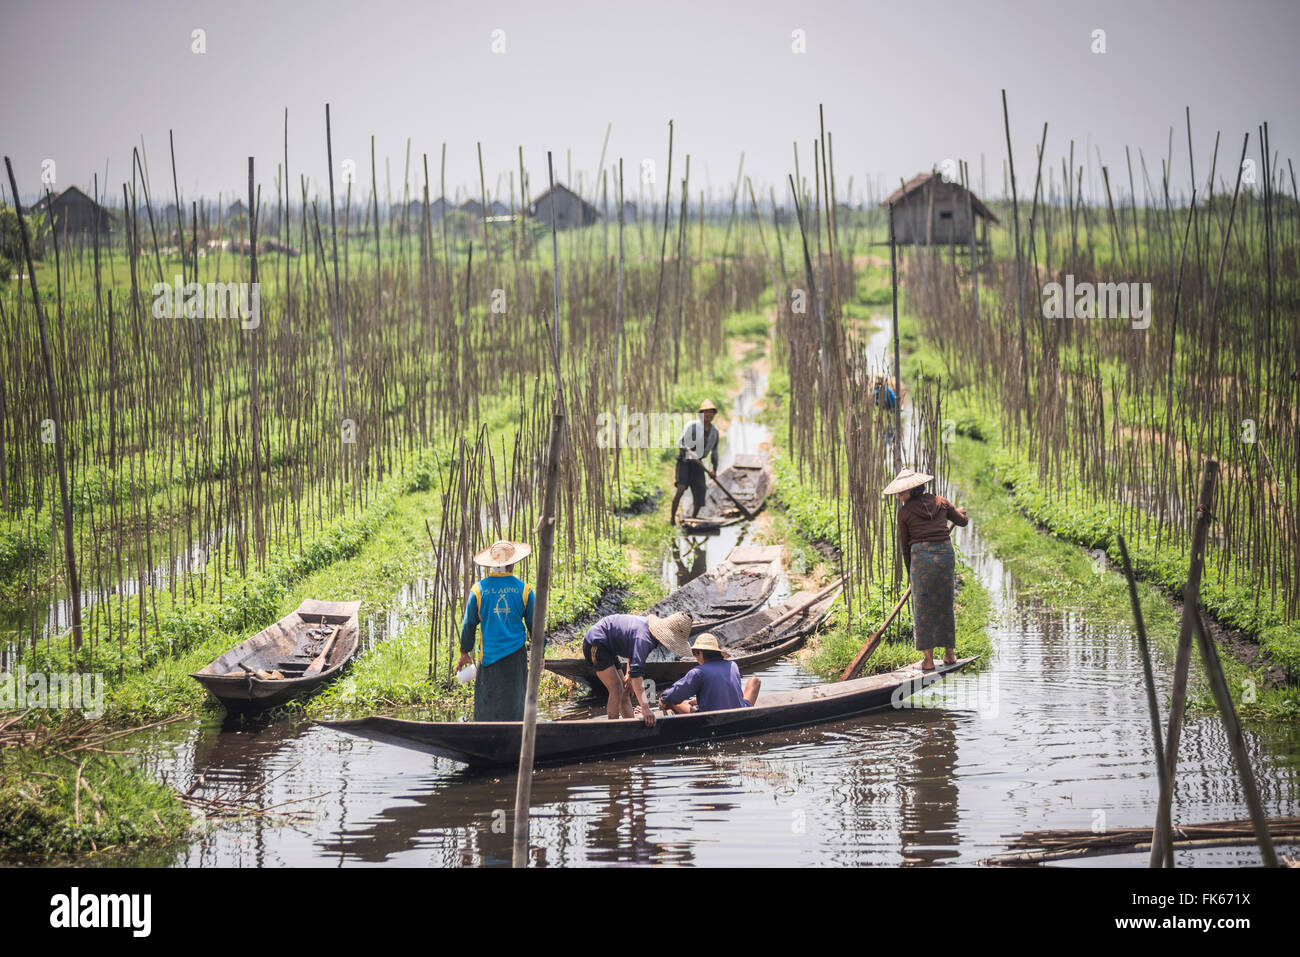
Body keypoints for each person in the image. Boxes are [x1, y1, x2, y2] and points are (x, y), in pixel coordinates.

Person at [885, 468, 969, 672]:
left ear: (912, 491)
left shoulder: (904, 512)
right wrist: (961, 511)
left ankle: (929, 661)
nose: (899, 496)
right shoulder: (942, 502)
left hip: (920, 558)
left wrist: (911, 571)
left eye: (901, 493)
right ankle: (949, 654)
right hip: (944, 556)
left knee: (922, 607)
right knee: (944, 602)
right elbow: (962, 522)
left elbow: (905, 546)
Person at [456, 540, 535, 721]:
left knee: (487, 705)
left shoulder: (478, 591)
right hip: (516, 657)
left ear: (491, 564)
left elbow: (469, 624)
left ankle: (486, 736)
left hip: (488, 657)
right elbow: (535, 627)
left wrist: (464, 652)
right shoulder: (525, 590)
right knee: (516, 702)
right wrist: (541, 654)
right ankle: (516, 738)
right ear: (512, 564)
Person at [581, 611, 693, 725]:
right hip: (596, 642)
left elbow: (633, 652)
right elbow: (637, 674)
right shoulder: (645, 639)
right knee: (616, 688)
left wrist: (628, 674)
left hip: (609, 646)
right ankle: (612, 726)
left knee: (624, 690)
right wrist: (645, 707)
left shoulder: (647, 633)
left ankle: (630, 724)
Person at [657, 633, 760, 715]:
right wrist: (695, 701)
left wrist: (663, 699)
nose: (696, 658)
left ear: (700, 653)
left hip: (710, 717)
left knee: (671, 701)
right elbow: (723, 690)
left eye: (695, 654)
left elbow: (674, 695)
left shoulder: (698, 672)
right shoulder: (732, 665)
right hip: (739, 712)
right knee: (755, 680)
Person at [670, 399, 720, 524]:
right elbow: (680, 443)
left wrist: (714, 469)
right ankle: (672, 519)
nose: (708, 415)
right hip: (685, 461)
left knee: (701, 490)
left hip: (698, 463)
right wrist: (690, 453)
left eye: (710, 412)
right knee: (681, 488)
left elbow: (714, 452)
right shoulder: (692, 426)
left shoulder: (714, 432)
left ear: (714, 414)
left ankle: (693, 519)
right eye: (705, 412)